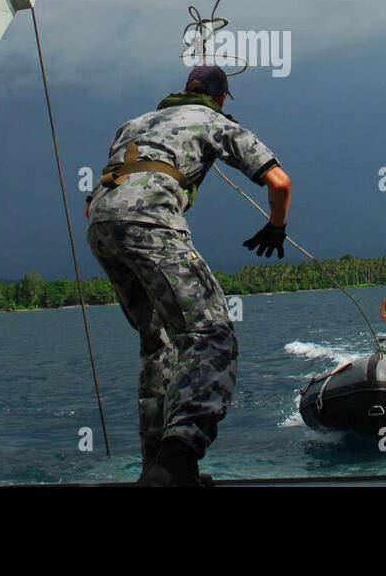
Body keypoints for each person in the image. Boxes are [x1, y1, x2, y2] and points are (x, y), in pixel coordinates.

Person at [87, 64, 291, 485]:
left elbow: (94, 203)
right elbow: (280, 181)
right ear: (219, 98)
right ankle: (179, 459)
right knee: (211, 335)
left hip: (101, 226)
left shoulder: (133, 124)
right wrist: (276, 227)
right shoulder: (213, 120)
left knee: (159, 345)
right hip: (151, 223)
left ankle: (156, 470)